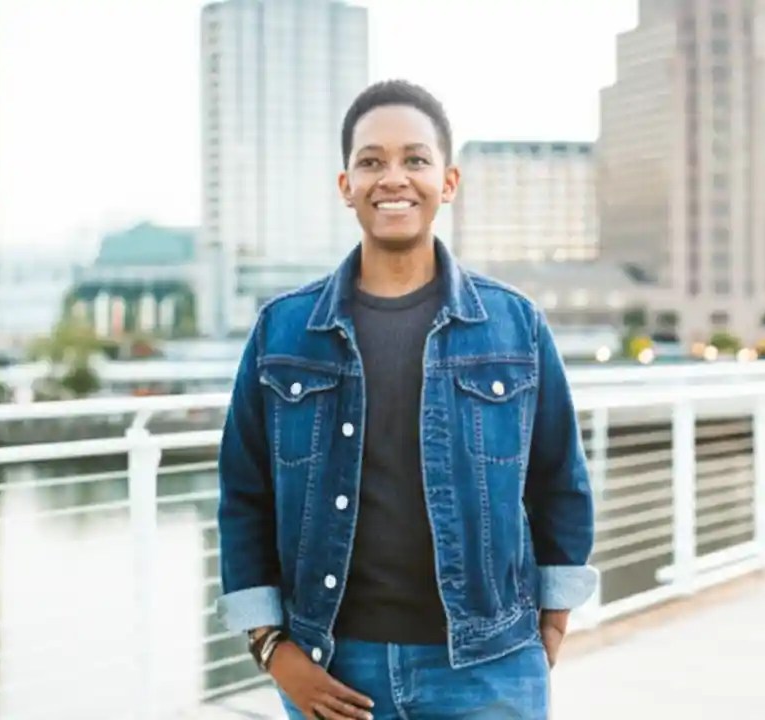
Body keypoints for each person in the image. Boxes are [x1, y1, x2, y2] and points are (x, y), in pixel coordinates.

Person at [215, 79, 598, 719]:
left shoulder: (515, 326)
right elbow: (243, 496)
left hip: (487, 667)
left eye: (415, 160)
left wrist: (549, 625)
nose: (393, 178)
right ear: (347, 186)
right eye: (372, 161)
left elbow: (559, 480)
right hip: (331, 669)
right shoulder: (282, 332)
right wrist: (274, 651)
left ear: (447, 182)